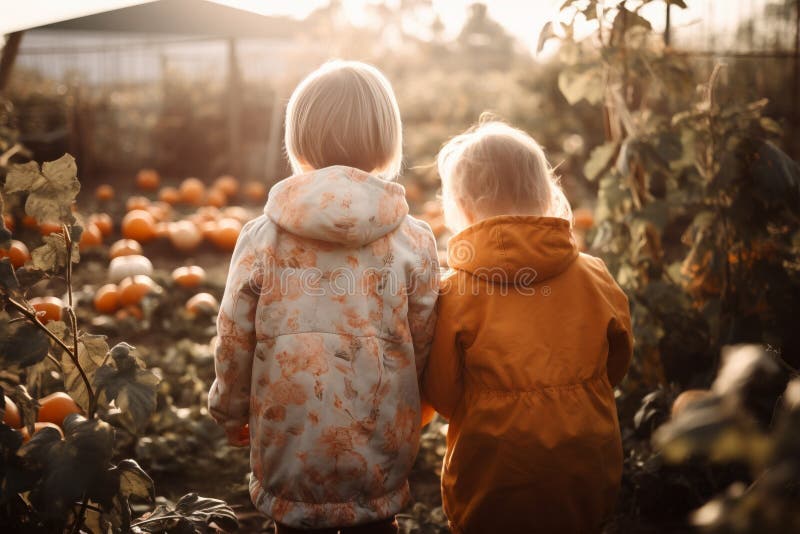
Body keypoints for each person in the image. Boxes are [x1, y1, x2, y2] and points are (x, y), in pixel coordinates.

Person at [209, 60, 440, 534]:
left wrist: (229, 409)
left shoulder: (262, 238)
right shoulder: (413, 241)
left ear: (298, 140)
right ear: (386, 139)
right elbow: (425, 341)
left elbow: (234, 337)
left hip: (289, 449)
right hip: (379, 447)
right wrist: (416, 408)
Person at [422, 119, 633, 534]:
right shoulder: (594, 275)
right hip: (585, 465)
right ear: (545, 191)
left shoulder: (456, 292)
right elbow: (619, 359)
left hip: (492, 474)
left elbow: (443, 391)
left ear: (460, 206)